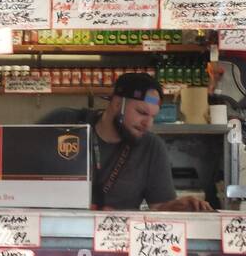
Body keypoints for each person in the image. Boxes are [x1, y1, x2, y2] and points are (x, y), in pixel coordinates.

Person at [39, 72, 213, 212]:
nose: (148, 124)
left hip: (115, 240)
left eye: (153, 116)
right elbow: (17, 166)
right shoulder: (63, 122)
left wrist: (181, 206)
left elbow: (159, 208)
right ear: (116, 104)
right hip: (55, 230)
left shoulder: (151, 147)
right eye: (142, 112)